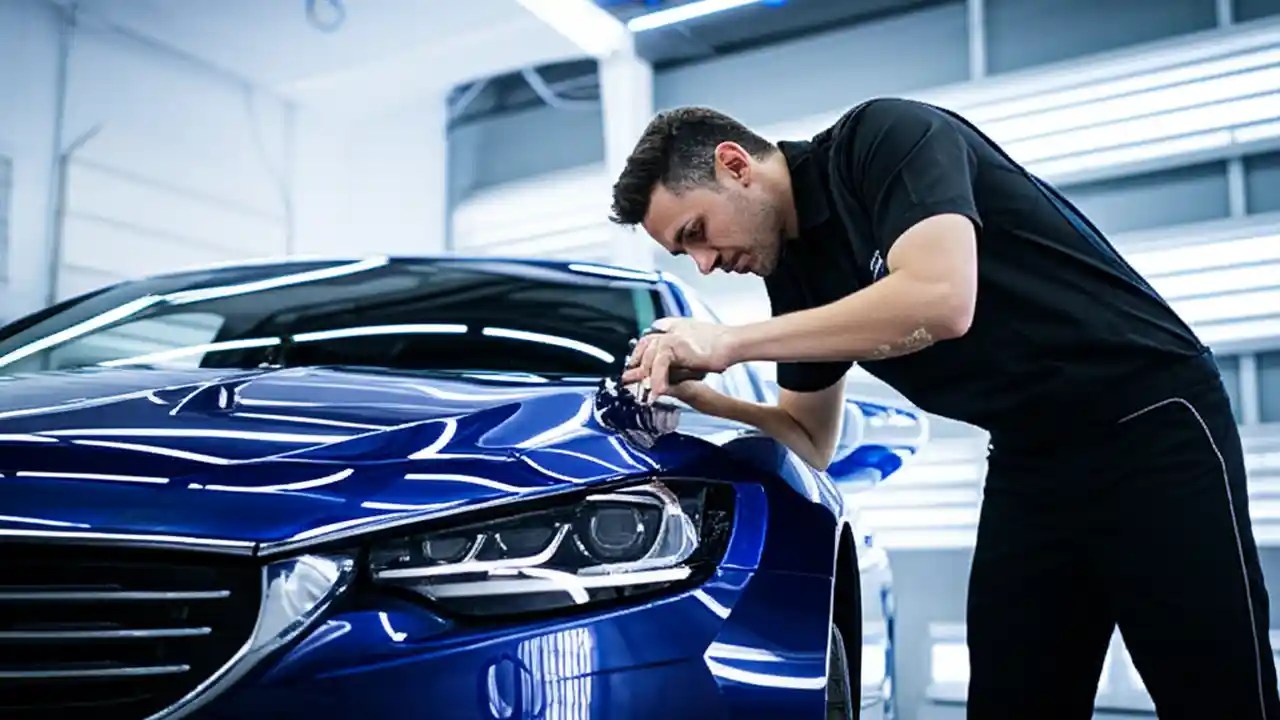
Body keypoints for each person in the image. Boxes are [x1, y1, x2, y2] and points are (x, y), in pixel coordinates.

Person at [608, 97, 1280, 718]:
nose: (702, 264)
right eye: (681, 251)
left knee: (1215, 695)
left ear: (735, 165)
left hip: (1149, 419)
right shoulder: (795, 273)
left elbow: (939, 300)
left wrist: (730, 343)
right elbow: (806, 438)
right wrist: (705, 398)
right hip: (1029, 458)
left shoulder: (884, 140)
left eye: (696, 231)